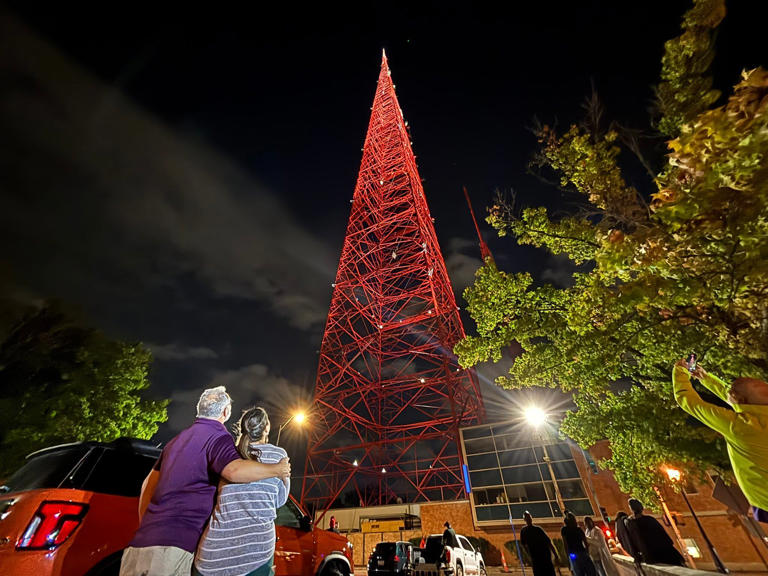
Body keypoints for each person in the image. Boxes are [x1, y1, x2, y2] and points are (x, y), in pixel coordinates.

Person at [120, 386, 290, 576]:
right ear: (226, 412)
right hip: (175, 547)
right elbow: (234, 471)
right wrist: (277, 469)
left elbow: (147, 487)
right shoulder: (218, 438)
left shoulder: (175, 441)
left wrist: (150, 528)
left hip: (140, 543)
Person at [195, 407, 289, 576]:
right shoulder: (278, 455)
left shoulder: (228, 453)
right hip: (255, 554)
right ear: (266, 428)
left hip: (211, 558)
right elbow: (279, 500)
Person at [672, 359, 768, 523]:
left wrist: (679, 372)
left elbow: (689, 402)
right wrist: (705, 377)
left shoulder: (739, 426)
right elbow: (734, 396)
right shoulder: (749, 418)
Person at [625, 499, 685, 566]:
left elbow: (634, 541)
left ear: (631, 509)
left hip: (651, 556)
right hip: (665, 551)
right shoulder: (649, 519)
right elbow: (663, 534)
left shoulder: (631, 523)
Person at [520, 511, 559, 576]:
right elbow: (523, 545)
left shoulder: (538, 529)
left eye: (529, 517)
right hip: (536, 558)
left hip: (545, 557)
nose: (529, 519)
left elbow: (548, 542)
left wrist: (555, 554)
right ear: (524, 520)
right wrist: (529, 554)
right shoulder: (524, 531)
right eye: (527, 518)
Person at [560, 512, 596, 576]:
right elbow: (585, 542)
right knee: (590, 571)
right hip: (582, 552)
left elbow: (565, 544)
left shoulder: (564, 530)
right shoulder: (578, 529)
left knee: (578, 572)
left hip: (572, 554)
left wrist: (568, 556)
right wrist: (587, 552)